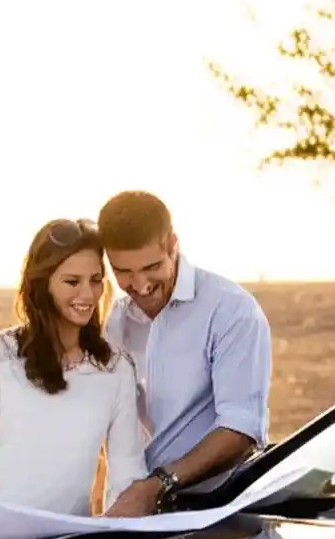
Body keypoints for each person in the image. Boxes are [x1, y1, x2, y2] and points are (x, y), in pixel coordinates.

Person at [0, 217, 150, 539]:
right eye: (72, 281)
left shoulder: (115, 369)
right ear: (42, 283)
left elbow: (126, 471)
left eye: (96, 280)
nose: (88, 294)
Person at [98, 190, 273, 517]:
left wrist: (158, 485)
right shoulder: (117, 321)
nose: (141, 285)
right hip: (131, 517)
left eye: (151, 267)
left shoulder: (231, 311)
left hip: (214, 514)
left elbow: (241, 429)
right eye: (124, 272)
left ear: (173, 244)